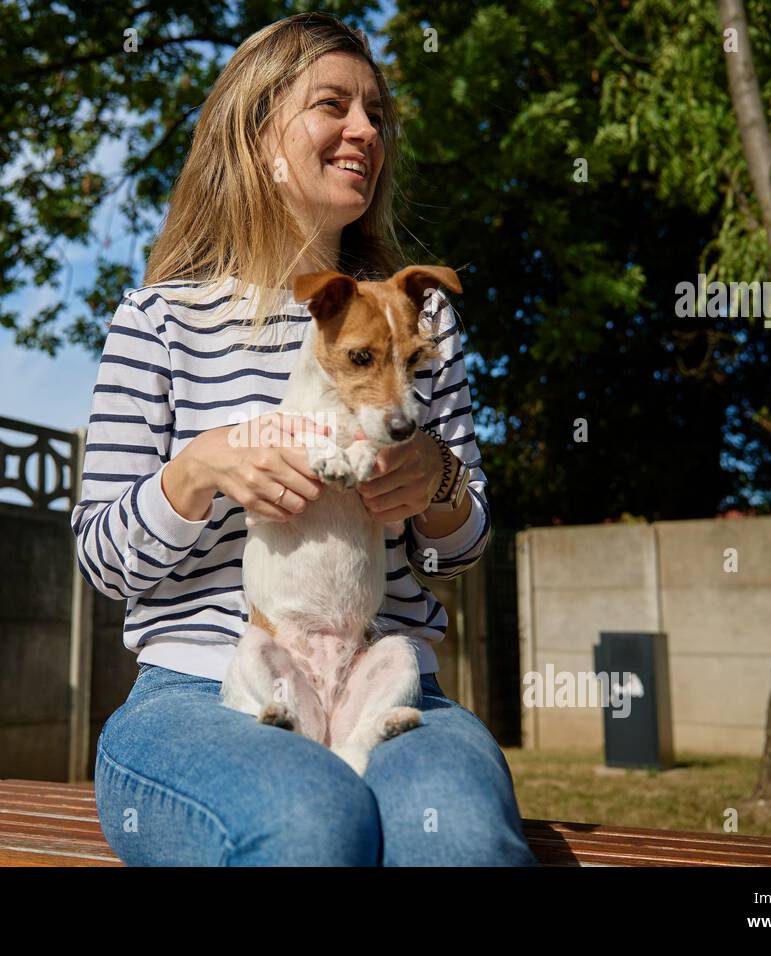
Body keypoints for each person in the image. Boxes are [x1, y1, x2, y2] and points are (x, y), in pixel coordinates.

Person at [70, 12, 537, 866]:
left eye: (375, 113)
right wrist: (198, 470)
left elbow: (462, 551)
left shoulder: (419, 319)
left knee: (463, 843)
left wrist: (436, 480)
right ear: (258, 135)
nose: (366, 130)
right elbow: (104, 562)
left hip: (388, 680)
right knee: (309, 822)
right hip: (202, 689)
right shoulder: (159, 320)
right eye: (333, 105)